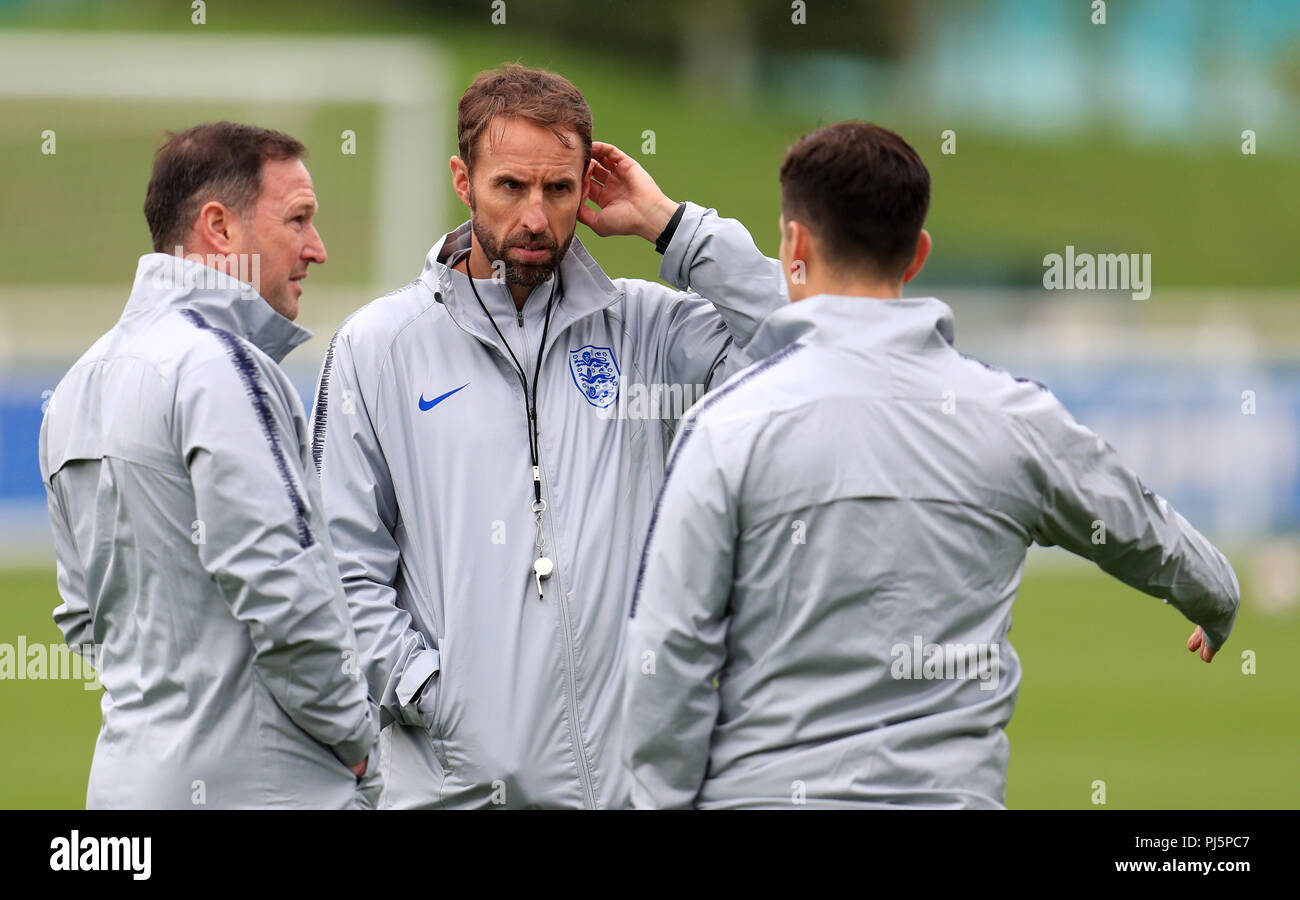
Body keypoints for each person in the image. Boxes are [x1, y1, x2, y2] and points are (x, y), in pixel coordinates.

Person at [622, 121, 1241, 809]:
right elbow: (1142, 527)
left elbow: (668, 654)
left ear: (794, 246)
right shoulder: (1012, 420)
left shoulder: (728, 427)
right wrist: (1215, 600)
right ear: (917, 255)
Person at [311, 64, 786, 808]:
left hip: (628, 789)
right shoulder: (380, 346)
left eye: (558, 189)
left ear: (585, 188)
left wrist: (673, 225)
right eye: (511, 187)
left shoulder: (646, 329)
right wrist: (433, 698)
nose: (536, 216)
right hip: (454, 789)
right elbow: (342, 565)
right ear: (463, 182)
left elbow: (802, 350)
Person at [39, 121, 378, 809]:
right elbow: (282, 589)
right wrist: (363, 743)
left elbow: (80, 616)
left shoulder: (74, 386)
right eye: (299, 220)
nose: (317, 248)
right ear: (219, 229)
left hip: (122, 793)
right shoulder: (220, 364)